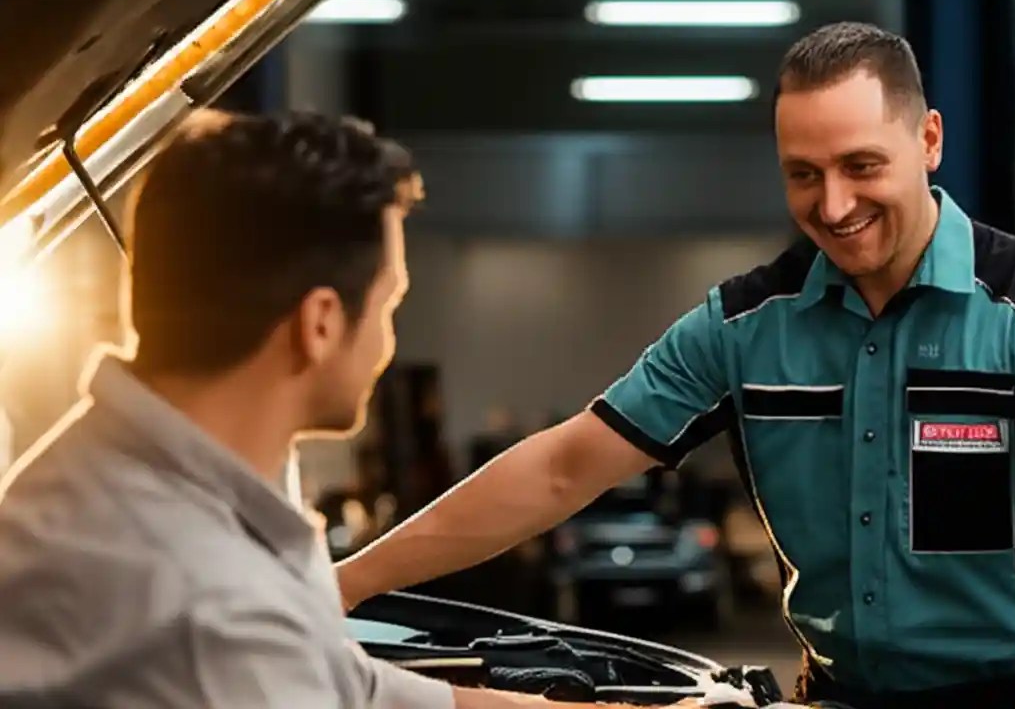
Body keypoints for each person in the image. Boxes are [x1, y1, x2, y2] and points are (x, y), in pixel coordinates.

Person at [336, 22, 1015, 709]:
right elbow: (561, 469)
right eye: (804, 175)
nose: (834, 206)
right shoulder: (743, 328)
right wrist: (343, 582)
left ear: (928, 140)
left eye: (862, 166)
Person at [0, 109, 637, 709]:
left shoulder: (137, 477)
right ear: (322, 323)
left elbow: (354, 685)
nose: (387, 341)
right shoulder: (211, 614)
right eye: (389, 306)